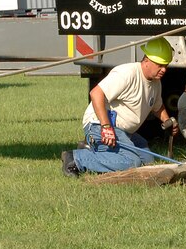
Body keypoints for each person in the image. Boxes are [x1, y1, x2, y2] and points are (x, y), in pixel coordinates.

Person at [62, 38, 178, 175]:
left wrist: (167, 121)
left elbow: (157, 106)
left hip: (124, 132)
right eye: (160, 65)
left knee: (147, 161)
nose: (164, 69)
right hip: (100, 125)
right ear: (146, 60)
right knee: (131, 162)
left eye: (166, 65)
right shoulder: (127, 73)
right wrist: (106, 127)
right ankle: (75, 158)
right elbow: (96, 93)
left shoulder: (155, 82)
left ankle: (92, 150)